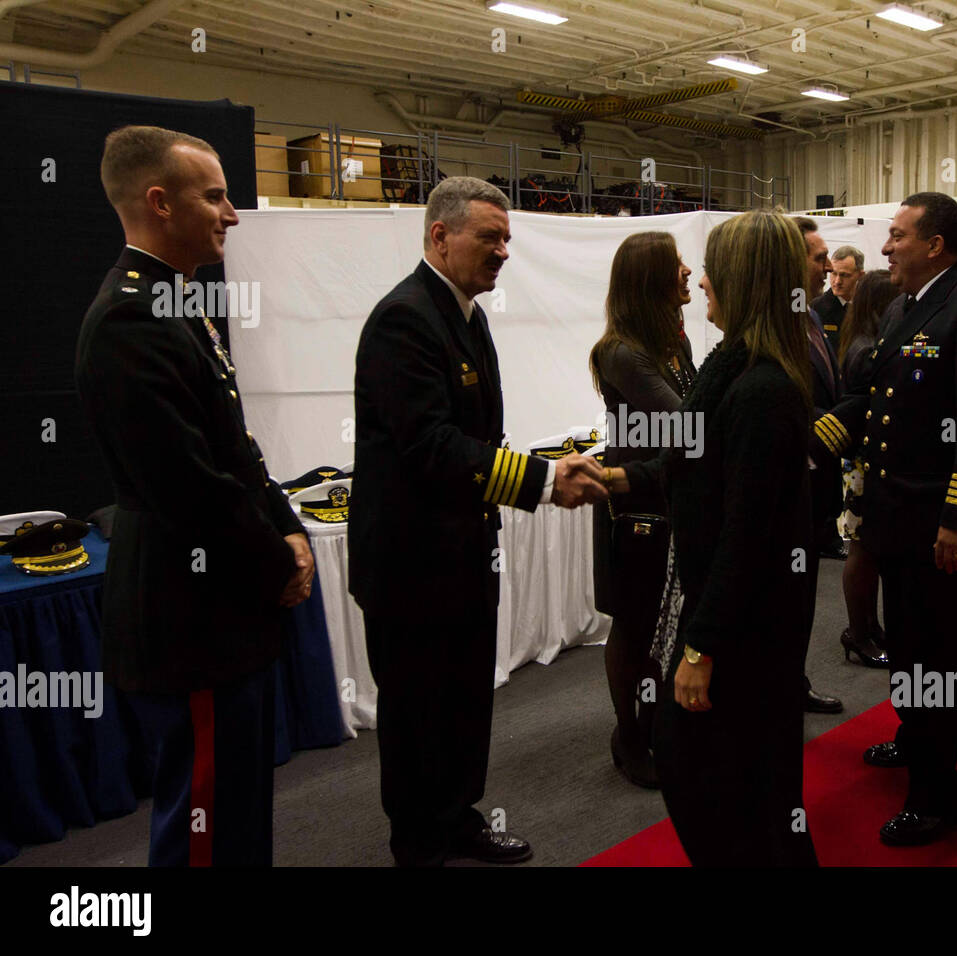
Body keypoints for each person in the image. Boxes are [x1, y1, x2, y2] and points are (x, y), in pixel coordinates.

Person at [349, 176, 607, 867]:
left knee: (464, 699)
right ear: (440, 235)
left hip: (462, 550)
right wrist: (543, 480)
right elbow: (430, 447)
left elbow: (477, 438)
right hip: (410, 563)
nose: (503, 253)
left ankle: (457, 817)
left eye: (507, 239)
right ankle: (418, 844)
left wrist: (529, 475)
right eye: (489, 238)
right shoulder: (404, 318)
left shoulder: (467, 315)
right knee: (416, 711)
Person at [74, 125, 315, 866]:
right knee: (205, 825)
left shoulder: (174, 302)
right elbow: (189, 487)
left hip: (219, 605)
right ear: (159, 202)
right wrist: (277, 561)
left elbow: (235, 445)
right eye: (214, 197)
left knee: (237, 809)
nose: (232, 215)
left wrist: (289, 525)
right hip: (191, 611)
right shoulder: (129, 318)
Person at [603, 211, 819, 867]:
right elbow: (694, 460)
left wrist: (701, 647)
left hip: (741, 635)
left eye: (710, 269)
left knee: (727, 786)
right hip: (729, 621)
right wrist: (619, 478)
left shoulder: (757, 388)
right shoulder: (736, 370)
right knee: (736, 783)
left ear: (741, 281)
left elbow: (744, 538)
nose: (699, 281)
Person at [811, 193, 957, 846]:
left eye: (898, 236)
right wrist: (811, 438)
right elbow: (874, 399)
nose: (886, 247)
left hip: (941, 525)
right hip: (897, 516)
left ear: (935, 244)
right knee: (907, 644)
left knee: (935, 654)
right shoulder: (905, 306)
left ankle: (937, 794)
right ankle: (914, 735)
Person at [589, 231, 696, 789]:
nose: (688, 270)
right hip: (634, 508)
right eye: (675, 263)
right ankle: (629, 736)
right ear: (650, 277)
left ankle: (651, 724)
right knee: (634, 628)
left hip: (662, 496)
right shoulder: (623, 352)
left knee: (663, 623)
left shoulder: (670, 340)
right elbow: (688, 423)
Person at [794, 217, 845, 714]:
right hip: (792, 485)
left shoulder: (808, 314)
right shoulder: (775, 323)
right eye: (818, 258)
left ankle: (793, 678)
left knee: (802, 594)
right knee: (787, 597)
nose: (828, 268)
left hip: (817, 483)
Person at [835, 270, 897, 668]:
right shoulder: (866, 349)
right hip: (863, 463)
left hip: (864, 462)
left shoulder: (863, 341)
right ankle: (858, 632)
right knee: (861, 550)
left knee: (869, 550)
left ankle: (869, 627)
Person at [812, 244, 865, 355]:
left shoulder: (868, 307)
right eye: (834, 273)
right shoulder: (816, 308)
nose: (837, 281)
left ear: (861, 276)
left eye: (844, 275)